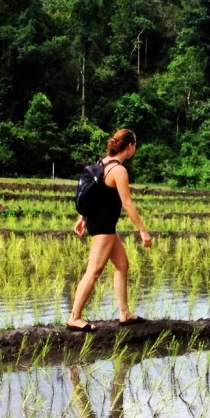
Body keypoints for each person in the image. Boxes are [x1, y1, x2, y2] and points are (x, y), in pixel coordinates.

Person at [67, 128, 152, 332]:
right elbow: (128, 204)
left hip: (102, 224)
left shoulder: (102, 163)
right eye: (135, 146)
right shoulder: (119, 170)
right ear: (129, 146)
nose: (135, 150)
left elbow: (96, 196)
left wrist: (83, 218)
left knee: (122, 265)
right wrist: (143, 230)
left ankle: (125, 313)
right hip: (103, 227)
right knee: (93, 272)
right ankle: (74, 317)